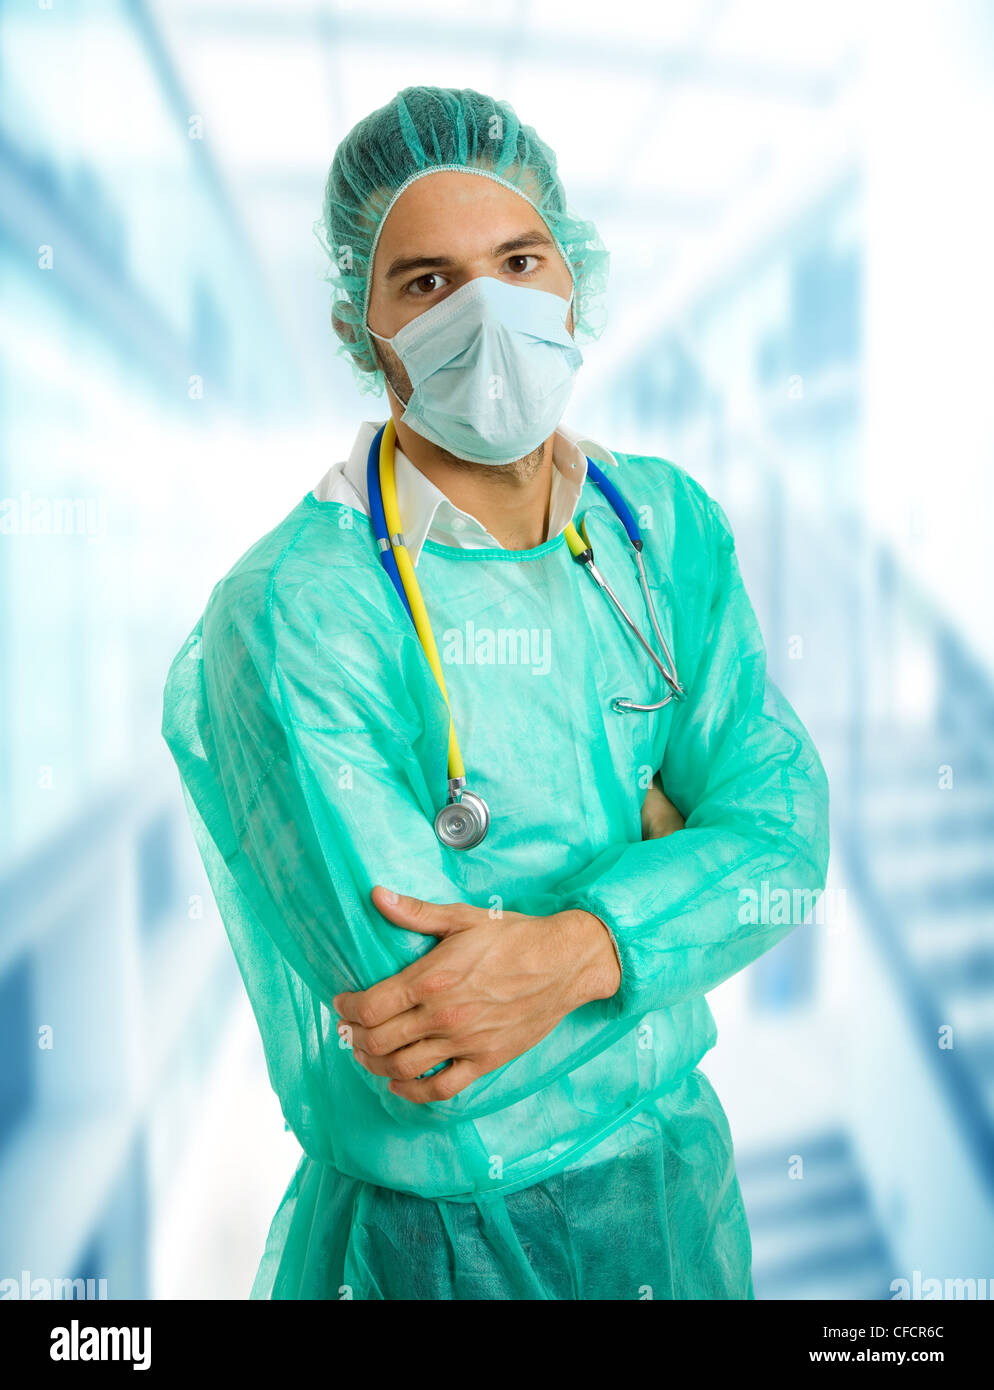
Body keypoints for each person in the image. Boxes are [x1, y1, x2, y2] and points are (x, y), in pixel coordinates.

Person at [161, 85, 829, 1300]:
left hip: (679, 1198)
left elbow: (784, 841)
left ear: (573, 275)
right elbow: (427, 1037)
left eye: (518, 261)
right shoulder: (293, 613)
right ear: (359, 328)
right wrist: (664, 870)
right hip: (442, 1242)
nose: (486, 312)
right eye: (426, 283)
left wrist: (573, 943)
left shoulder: (661, 529)